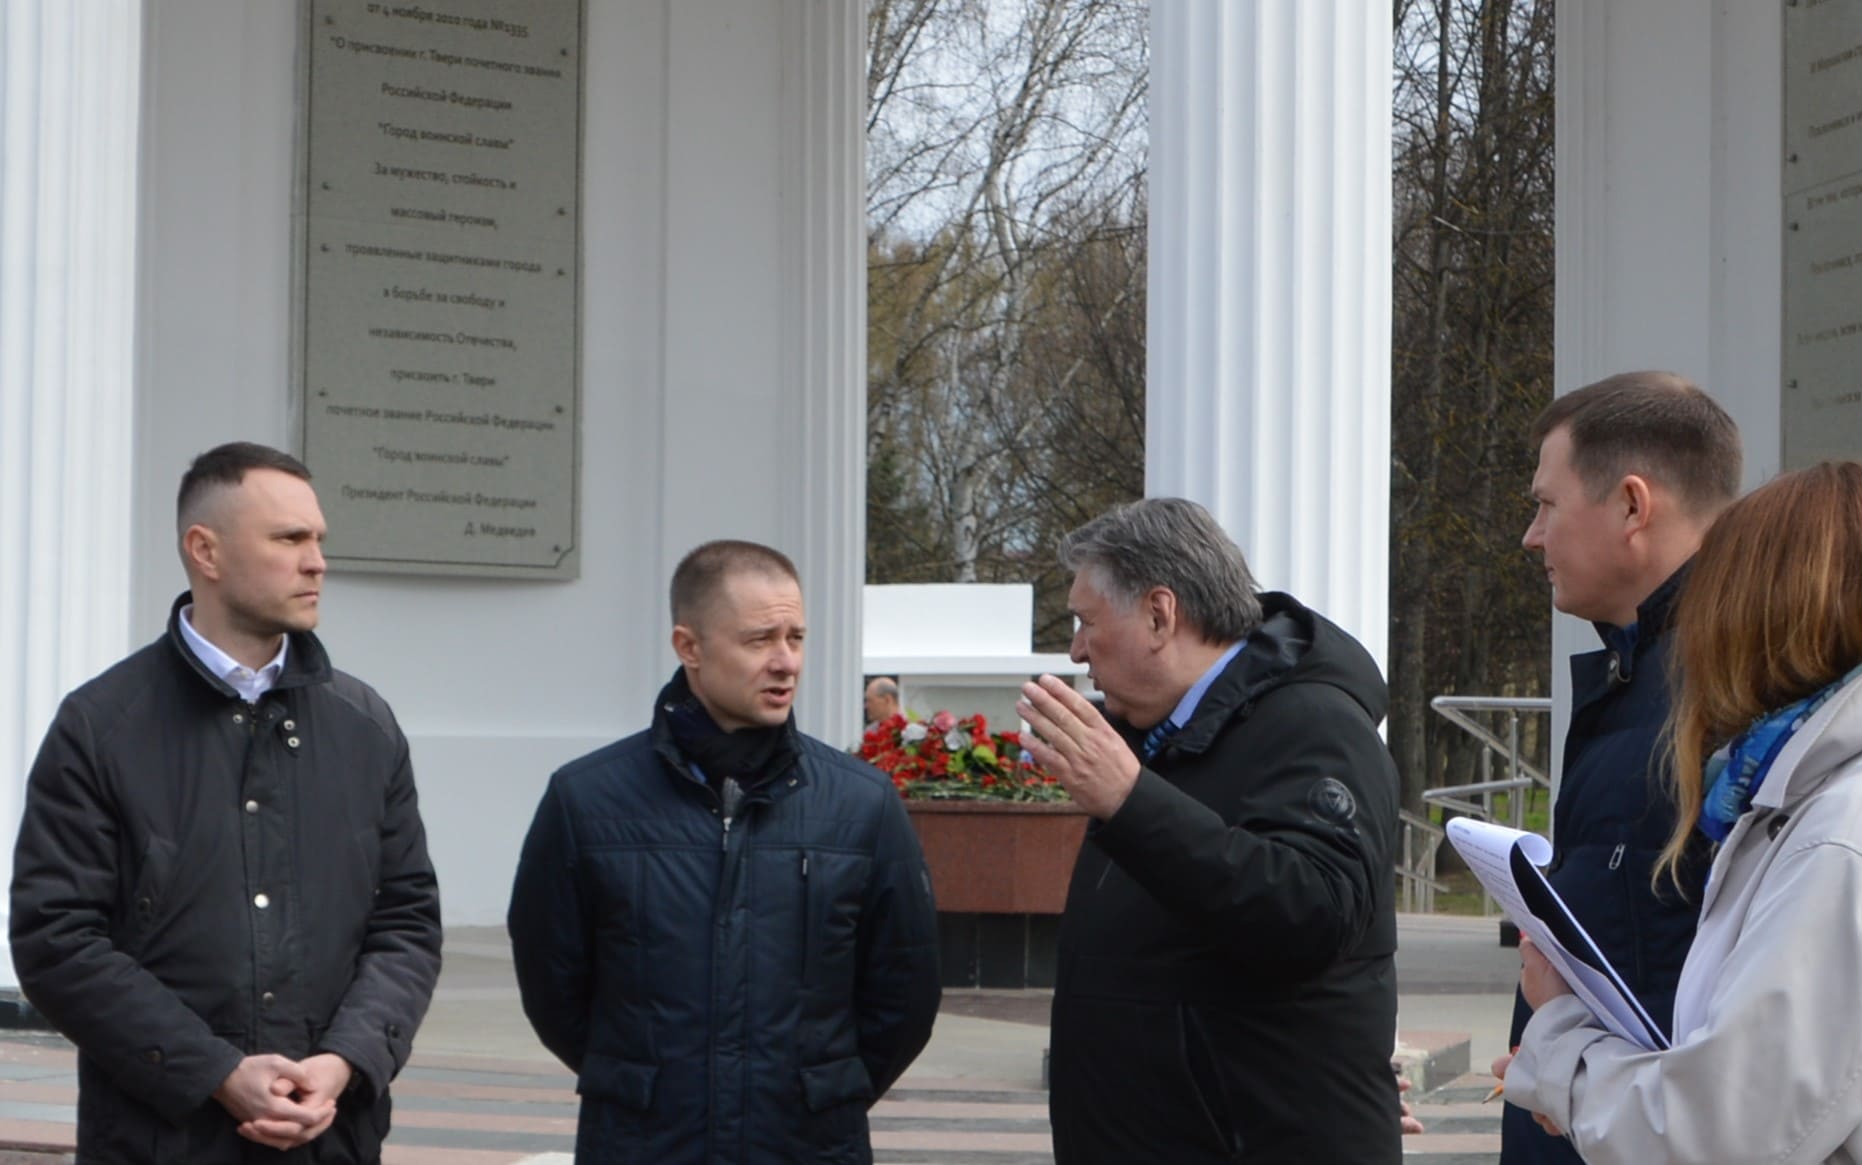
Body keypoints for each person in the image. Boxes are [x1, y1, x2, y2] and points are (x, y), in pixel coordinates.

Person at [1496, 461, 1862, 1162]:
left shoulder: (1860, 837)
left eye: (1713, 605)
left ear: (1763, 617)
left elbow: (1719, 1135)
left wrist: (1561, 1040)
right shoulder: (1853, 803)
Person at [10, 442, 442, 1161]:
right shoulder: (101, 726)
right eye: (289, 538)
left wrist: (345, 1061)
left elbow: (406, 921)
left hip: (329, 1136)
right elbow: (56, 939)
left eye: (318, 539)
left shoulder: (364, 726)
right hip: (161, 1141)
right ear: (205, 551)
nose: (317, 562)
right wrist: (214, 1073)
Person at [508, 540, 940, 1164]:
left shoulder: (862, 803)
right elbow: (554, 988)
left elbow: (905, 992)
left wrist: (818, 1095)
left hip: (808, 1146)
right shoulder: (586, 801)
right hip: (644, 1144)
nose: (786, 662)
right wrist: (647, 1086)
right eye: (760, 640)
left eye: (796, 637)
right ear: (690, 647)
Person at [1018, 497, 1402, 1164]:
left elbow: (1313, 912)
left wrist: (1130, 801)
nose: (1076, 648)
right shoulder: (1161, 734)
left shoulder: (1313, 724)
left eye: (1086, 621)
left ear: (1159, 615)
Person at [1499, 372, 1740, 1165]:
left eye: (1546, 504)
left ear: (1632, 506)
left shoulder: (1729, 695)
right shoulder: (1642, 676)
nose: (1531, 536)